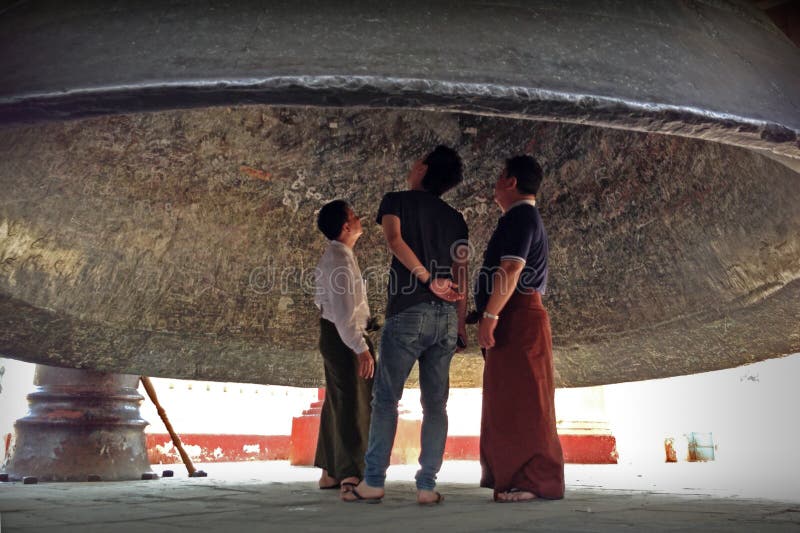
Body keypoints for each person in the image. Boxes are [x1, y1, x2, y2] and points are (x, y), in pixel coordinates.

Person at [343, 146, 469, 505]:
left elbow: (395, 241)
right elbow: (461, 271)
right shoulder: (456, 218)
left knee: (386, 400)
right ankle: (427, 486)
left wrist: (427, 279)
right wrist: (460, 323)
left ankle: (373, 481)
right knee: (436, 405)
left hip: (409, 310)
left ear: (423, 169)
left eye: (416, 162)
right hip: (446, 317)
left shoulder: (396, 201)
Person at [474, 155, 565, 503]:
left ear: (511, 182)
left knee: (526, 401)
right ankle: (512, 476)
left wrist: (491, 316)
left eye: (500, 176)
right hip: (514, 315)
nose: (496, 182)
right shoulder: (519, 217)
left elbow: (511, 269)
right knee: (510, 398)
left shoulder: (521, 216)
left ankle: (532, 480)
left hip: (517, 315)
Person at [314, 200, 376, 494]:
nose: (359, 217)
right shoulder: (339, 260)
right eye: (354, 215)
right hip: (343, 338)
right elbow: (342, 313)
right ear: (345, 227)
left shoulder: (340, 256)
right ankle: (351, 474)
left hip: (336, 334)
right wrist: (360, 347)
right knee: (353, 404)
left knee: (337, 403)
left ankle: (330, 471)